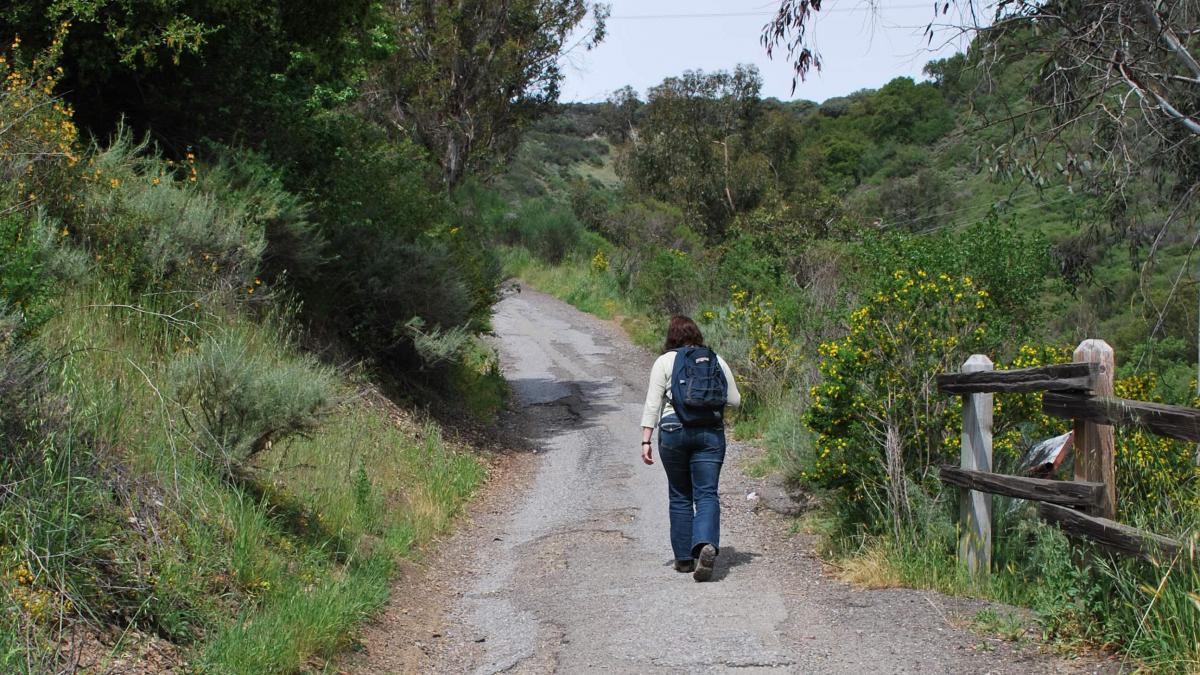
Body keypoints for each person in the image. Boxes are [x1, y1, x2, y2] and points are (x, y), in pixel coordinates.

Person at [640, 315, 740, 582]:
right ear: (697, 334)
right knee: (706, 494)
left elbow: (652, 404)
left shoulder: (664, 361)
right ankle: (705, 543)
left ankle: (684, 559)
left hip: (672, 430)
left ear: (670, 337)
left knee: (679, 494)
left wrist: (646, 440)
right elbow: (735, 399)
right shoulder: (714, 359)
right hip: (709, 432)